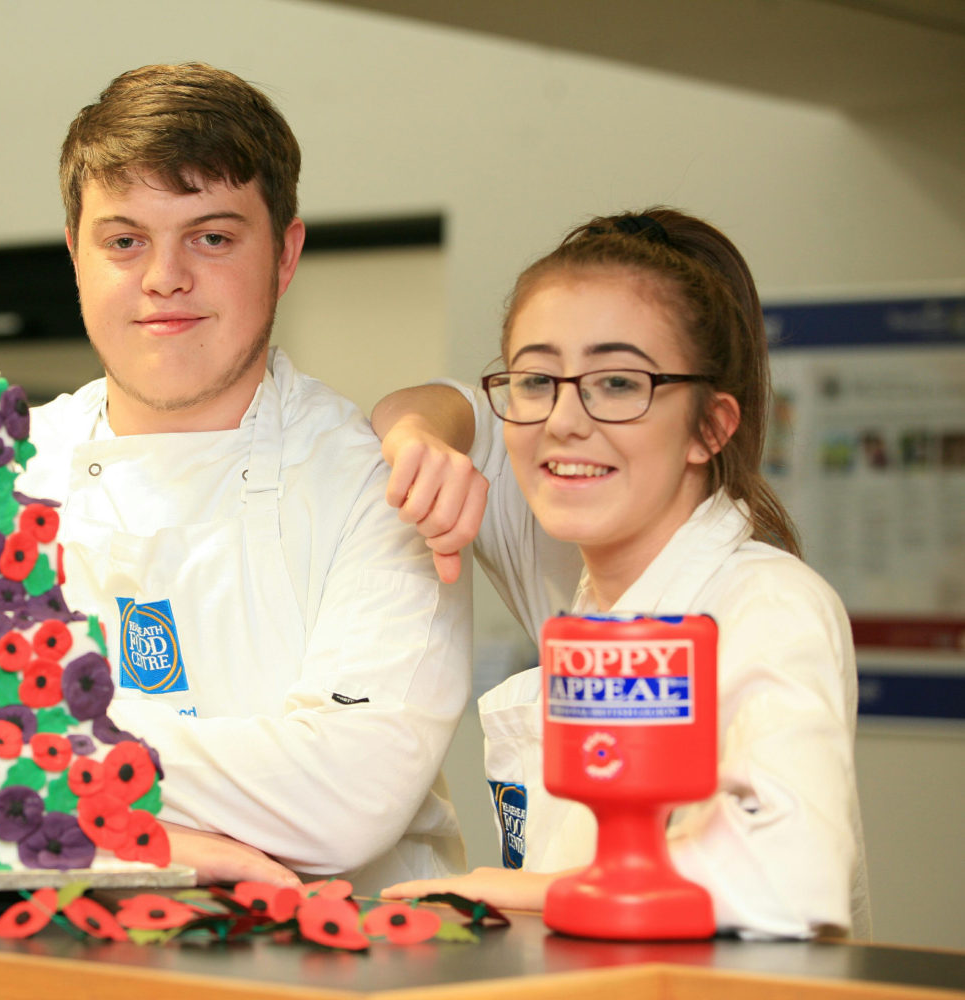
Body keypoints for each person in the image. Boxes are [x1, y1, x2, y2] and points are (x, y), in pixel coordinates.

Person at [14, 63, 473, 893]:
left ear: (286, 254)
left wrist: (23, 760)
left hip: (346, 975)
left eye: (212, 237)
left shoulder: (377, 485)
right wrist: (161, 841)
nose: (163, 278)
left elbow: (342, 803)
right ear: (75, 258)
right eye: (124, 241)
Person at [372, 209, 869, 939]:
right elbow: (438, 409)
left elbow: (790, 879)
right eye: (537, 379)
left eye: (617, 382)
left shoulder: (767, 603)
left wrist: (514, 891)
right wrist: (415, 439)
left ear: (711, 425)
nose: (566, 420)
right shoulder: (585, 585)